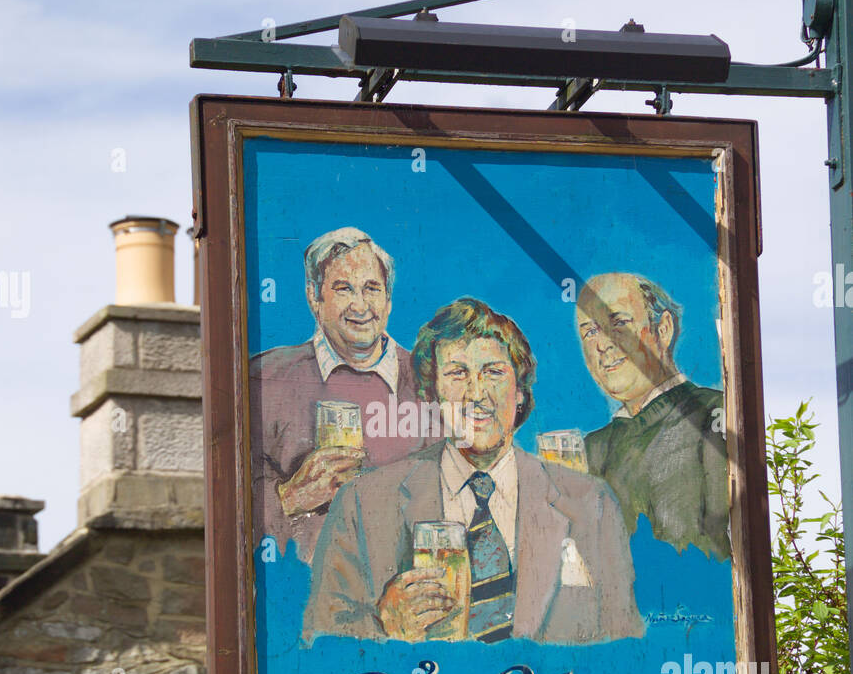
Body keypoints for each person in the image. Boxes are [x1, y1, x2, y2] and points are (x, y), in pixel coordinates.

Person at [305, 297, 643, 644]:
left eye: (494, 372)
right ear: (432, 394)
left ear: (521, 393)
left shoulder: (591, 503)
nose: (476, 393)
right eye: (457, 373)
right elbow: (318, 642)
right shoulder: (362, 504)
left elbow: (627, 649)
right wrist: (382, 626)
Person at [249, 227, 427, 563]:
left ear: (388, 301)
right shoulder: (263, 379)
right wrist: (289, 496)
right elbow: (224, 507)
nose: (360, 305)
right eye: (343, 289)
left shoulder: (431, 382)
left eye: (371, 289)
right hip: (301, 599)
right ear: (314, 297)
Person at [575, 272, 730, 560]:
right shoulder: (589, 450)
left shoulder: (714, 416)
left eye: (619, 323)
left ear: (663, 329)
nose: (602, 344)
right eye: (589, 331)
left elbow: (724, 556)